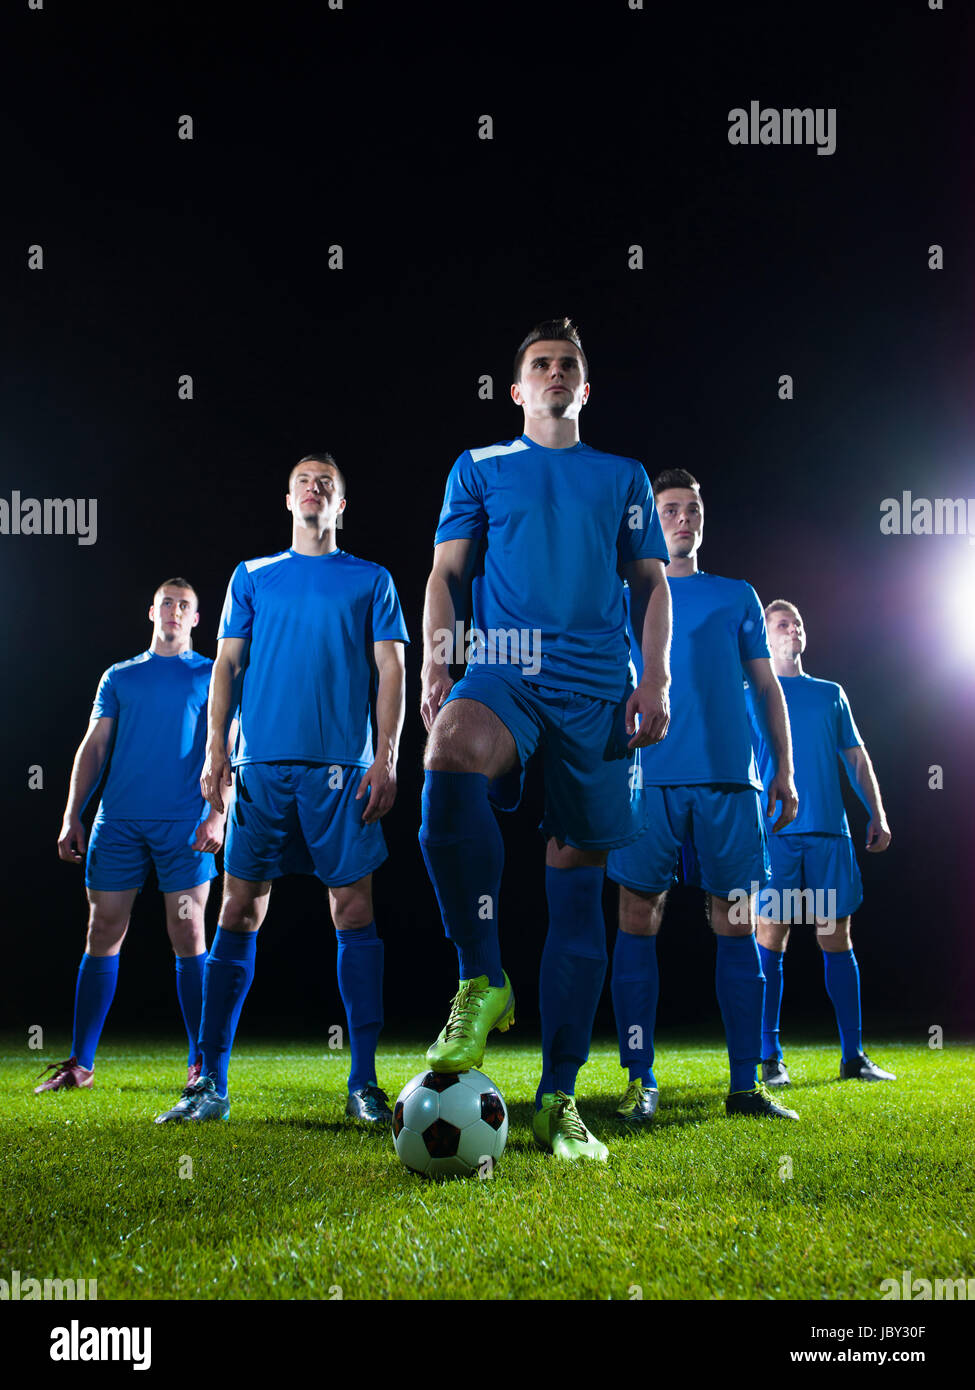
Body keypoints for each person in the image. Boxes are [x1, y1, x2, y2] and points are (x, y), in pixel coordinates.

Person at [418, 318, 672, 1162]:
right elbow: (445, 573)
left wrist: (655, 678)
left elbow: (651, 584)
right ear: (516, 388)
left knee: (576, 892)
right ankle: (482, 976)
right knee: (448, 749)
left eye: (567, 365)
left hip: (597, 692)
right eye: (539, 364)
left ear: (584, 388)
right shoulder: (478, 465)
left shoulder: (623, 475)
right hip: (505, 670)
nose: (554, 373)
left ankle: (557, 1097)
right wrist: (437, 661)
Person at [155, 454, 408, 1125]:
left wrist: (386, 757)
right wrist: (215, 749)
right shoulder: (252, 575)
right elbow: (227, 666)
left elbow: (392, 670)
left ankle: (363, 1085)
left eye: (326, 482)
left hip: (343, 769)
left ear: (341, 504)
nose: (314, 488)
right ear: (287, 499)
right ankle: (209, 1085)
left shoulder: (372, 579)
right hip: (260, 766)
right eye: (303, 481)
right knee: (237, 912)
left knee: (352, 910)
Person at [606, 469, 801, 1124]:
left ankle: (745, 1085)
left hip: (729, 780)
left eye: (691, 508)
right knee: (637, 918)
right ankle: (640, 1080)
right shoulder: (626, 594)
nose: (683, 517)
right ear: (649, 520)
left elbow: (766, 688)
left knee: (737, 923)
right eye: (669, 509)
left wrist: (784, 770)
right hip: (645, 777)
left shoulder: (736, 594)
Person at [38, 579, 223, 1094]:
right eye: (167, 603)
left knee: (189, 934)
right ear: (152, 611)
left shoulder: (212, 674)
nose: (174, 611)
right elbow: (94, 746)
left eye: (184, 605)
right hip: (118, 822)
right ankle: (81, 1064)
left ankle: (201, 1063)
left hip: (185, 825)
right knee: (102, 931)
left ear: (195, 618)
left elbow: (225, 747)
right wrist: (72, 813)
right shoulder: (120, 676)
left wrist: (218, 814)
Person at [749, 600, 895, 1084]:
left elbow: (856, 758)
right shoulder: (752, 693)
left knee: (836, 937)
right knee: (771, 936)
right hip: (776, 836)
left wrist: (877, 813)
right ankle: (770, 1058)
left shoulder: (830, 693)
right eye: (782, 623)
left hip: (830, 833)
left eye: (797, 623)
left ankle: (853, 1057)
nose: (793, 628)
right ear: (766, 637)